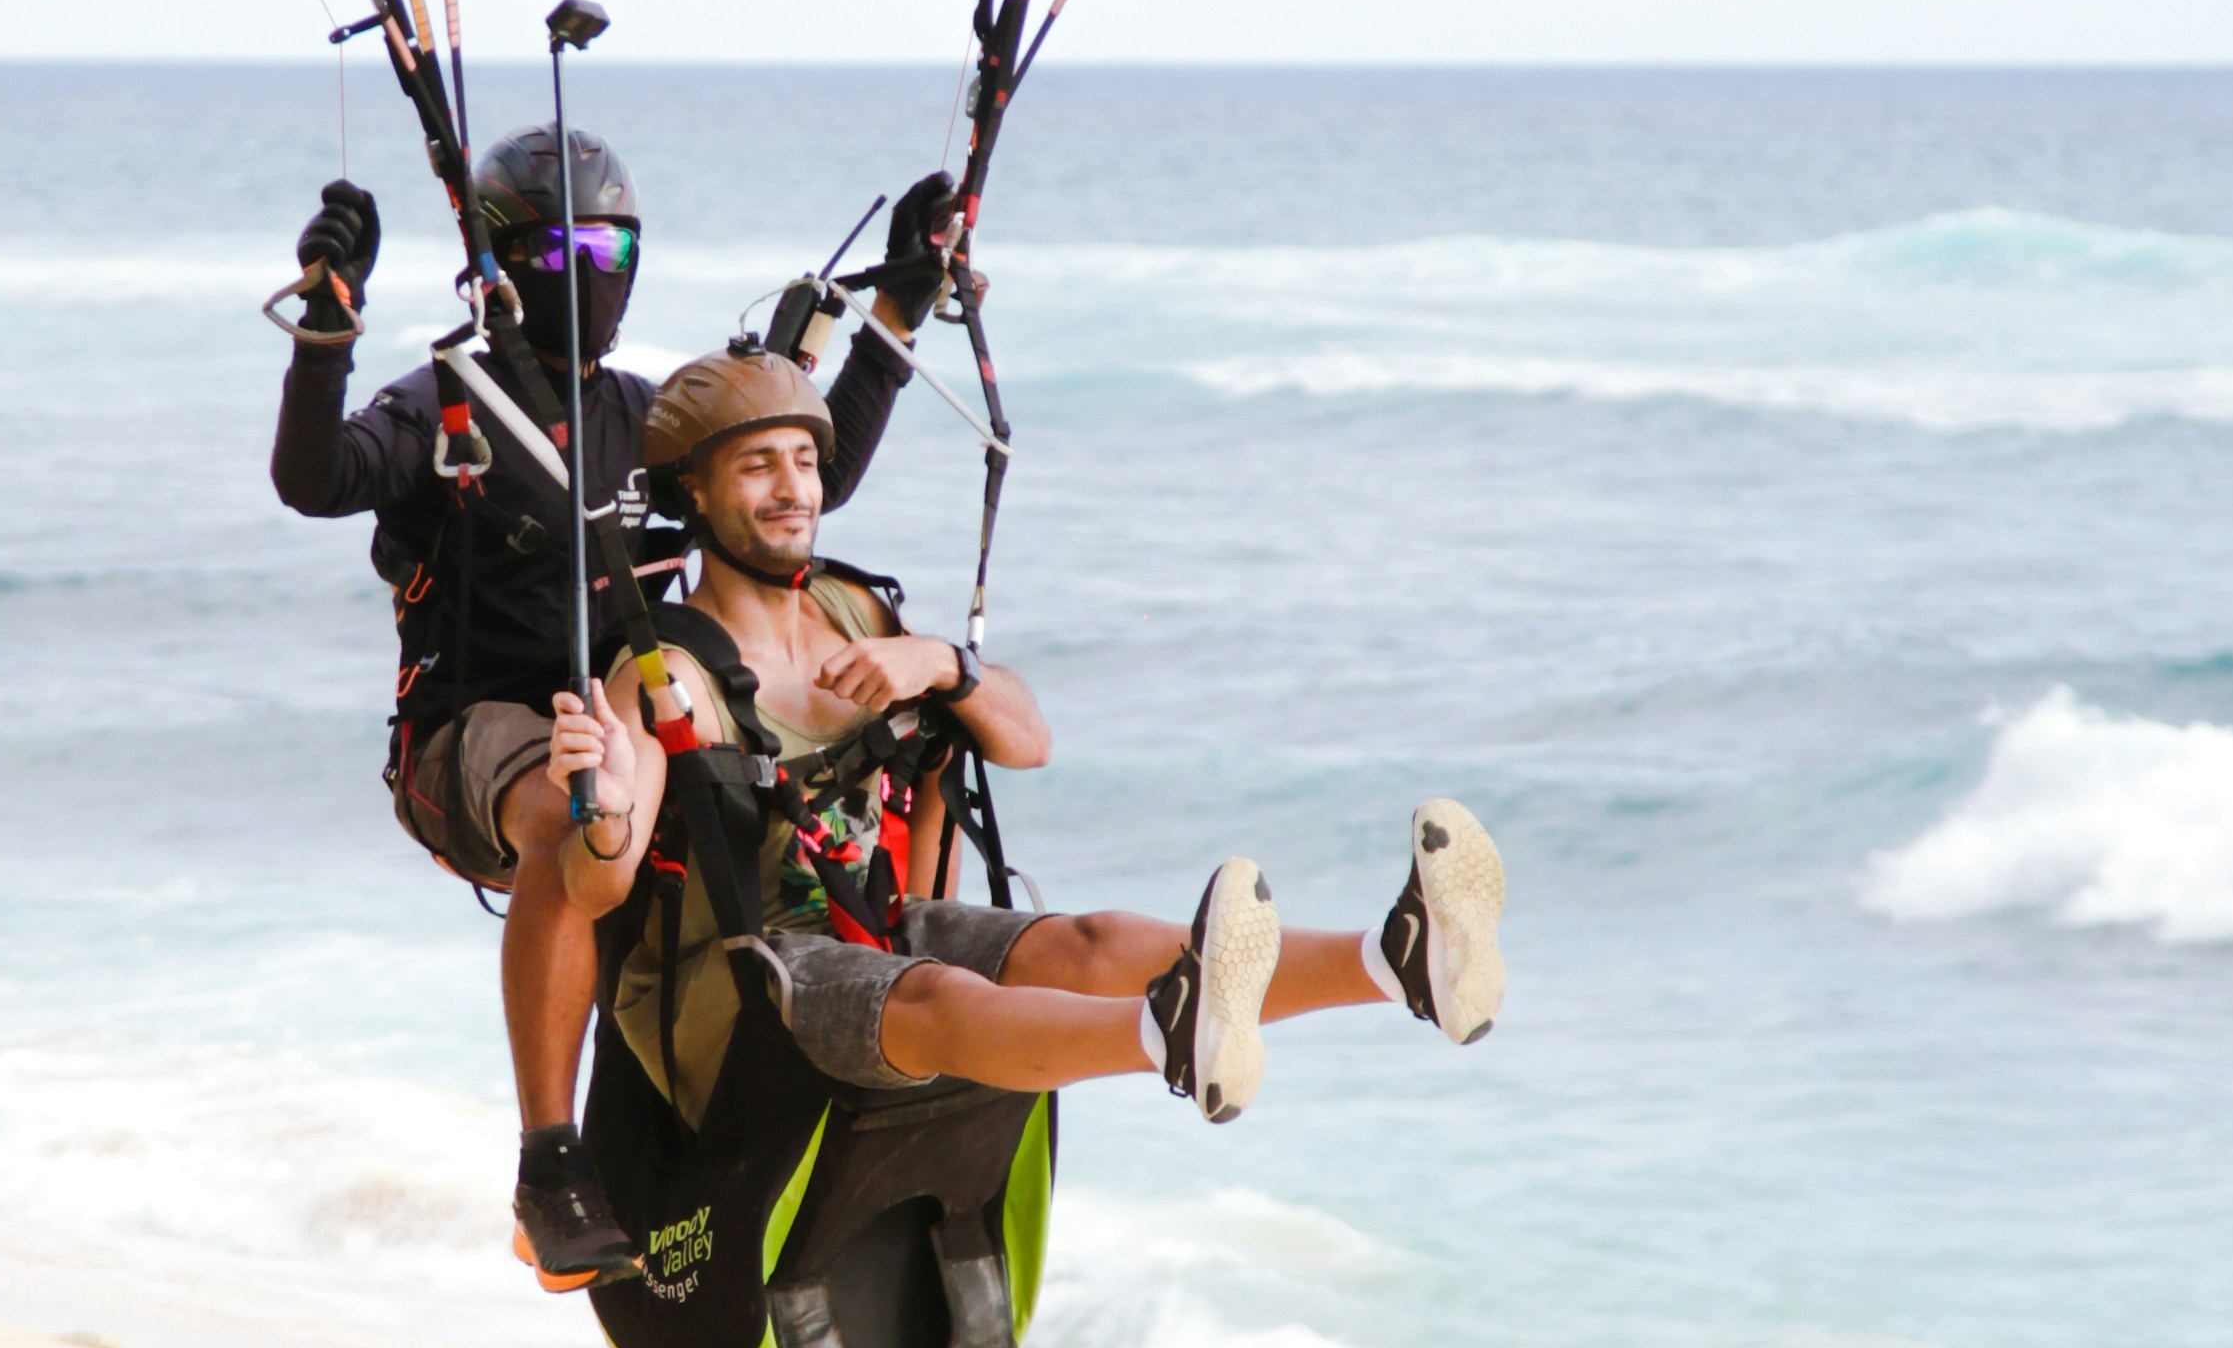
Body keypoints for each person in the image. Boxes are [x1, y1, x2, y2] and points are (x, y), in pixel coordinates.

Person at [272, 136, 960, 1285]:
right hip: (474, 733)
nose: (585, 264)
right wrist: (328, 325)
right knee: (574, 795)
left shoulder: (641, 415)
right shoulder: (445, 399)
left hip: (631, 714)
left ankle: (872, 1026)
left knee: (871, 750)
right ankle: (550, 1163)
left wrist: (893, 313)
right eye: (553, 244)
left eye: (608, 242)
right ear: (498, 258)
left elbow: (796, 479)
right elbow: (315, 479)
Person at [549, 352, 1505, 1139]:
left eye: (802, 460)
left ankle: (1398, 961)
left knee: (1078, 942)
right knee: (933, 1001)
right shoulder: (660, 672)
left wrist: (945, 665)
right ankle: (1168, 1032)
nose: (792, 488)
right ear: (697, 493)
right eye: (757, 467)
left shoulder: (859, 611)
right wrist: (606, 805)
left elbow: (1027, 742)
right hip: (736, 989)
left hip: (872, 922)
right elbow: (598, 888)